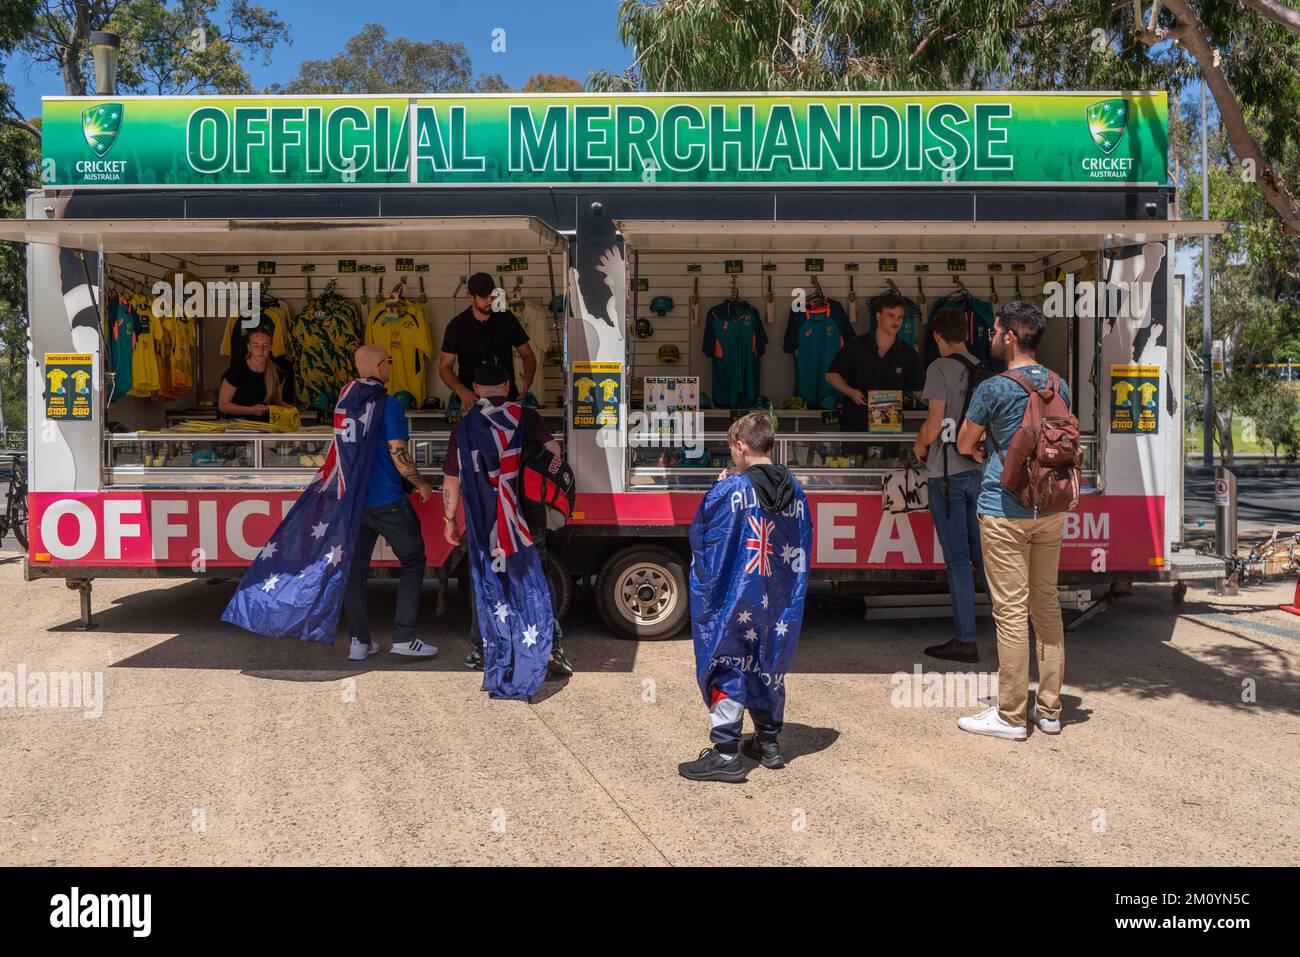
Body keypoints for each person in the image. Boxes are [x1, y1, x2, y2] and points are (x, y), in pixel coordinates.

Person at [956, 301, 1071, 741]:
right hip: (1050, 511)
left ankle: (1009, 715)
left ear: (1009, 336)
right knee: (1046, 608)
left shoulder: (994, 387)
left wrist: (988, 449)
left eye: (994, 330)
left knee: (1009, 612)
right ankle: (1050, 710)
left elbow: (966, 442)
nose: (989, 336)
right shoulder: (1059, 385)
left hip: (1004, 511)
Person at [678, 413, 812, 783]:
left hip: (737, 592)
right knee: (768, 659)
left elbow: (706, 537)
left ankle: (725, 753)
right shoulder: (795, 488)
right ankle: (768, 743)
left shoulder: (730, 489)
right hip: (778, 595)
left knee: (727, 659)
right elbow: (801, 541)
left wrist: (717, 489)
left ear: (740, 445)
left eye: (731, 448)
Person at [441, 363, 574, 682]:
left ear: (475, 388)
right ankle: (550, 647)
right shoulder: (527, 418)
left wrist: (449, 520)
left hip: (483, 521)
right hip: (525, 520)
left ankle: (485, 651)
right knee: (535, 580)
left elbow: (451, 479)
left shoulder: (464, 427)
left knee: (485, 581)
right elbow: (554, 456)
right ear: (508, 384)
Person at [343, 344, 437, 662]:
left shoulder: (344, 402)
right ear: (382, 366)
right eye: (390, 362)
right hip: (388, 501)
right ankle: (404, 637)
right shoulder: (389, 404)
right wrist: (421, 483)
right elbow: (399, 455)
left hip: (355, 502)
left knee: (355, 572)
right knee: (413, 561)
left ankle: (359, 641)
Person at [912, 307, 989, 663]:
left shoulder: (939, 368)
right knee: (980, 556)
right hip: (978, 473)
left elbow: (935, 421)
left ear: (937, 337)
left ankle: (965, 640)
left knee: (957, 560)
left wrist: (919, 444)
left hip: (946, 473)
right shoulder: (982, 368)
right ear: (966, 334)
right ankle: (1014, 630)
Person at [825, 293, 924, 432]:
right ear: (878, 316)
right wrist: (850, 392)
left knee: (889, 454)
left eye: (900, 317)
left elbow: (919, 390)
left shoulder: (909, 354)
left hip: (889, 423)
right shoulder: (856, 345)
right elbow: (831, 375)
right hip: (855, 421)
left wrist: (942, 405)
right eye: (891, 315)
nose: (896, 321)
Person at [439, 272, 537, 407]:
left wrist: (529, 376)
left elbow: (528, 355)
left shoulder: (507, 319)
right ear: (470, 297)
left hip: (507, 400)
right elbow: (445, 366)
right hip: (472, 402)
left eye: (492, 296)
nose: (490, 301)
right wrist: (461, 391)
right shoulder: (457, 325)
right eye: (484, 297)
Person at [218, 328, 289, 421]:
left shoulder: (277, 373)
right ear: (249, 347)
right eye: (256, 346)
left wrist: (292, 410)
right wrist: (251, 410)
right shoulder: (236, 371)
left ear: (271, 346)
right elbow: (223, 406)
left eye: (265, 345)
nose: (261, 350)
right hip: (237, 428)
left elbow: (276, 402)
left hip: (265, 428)